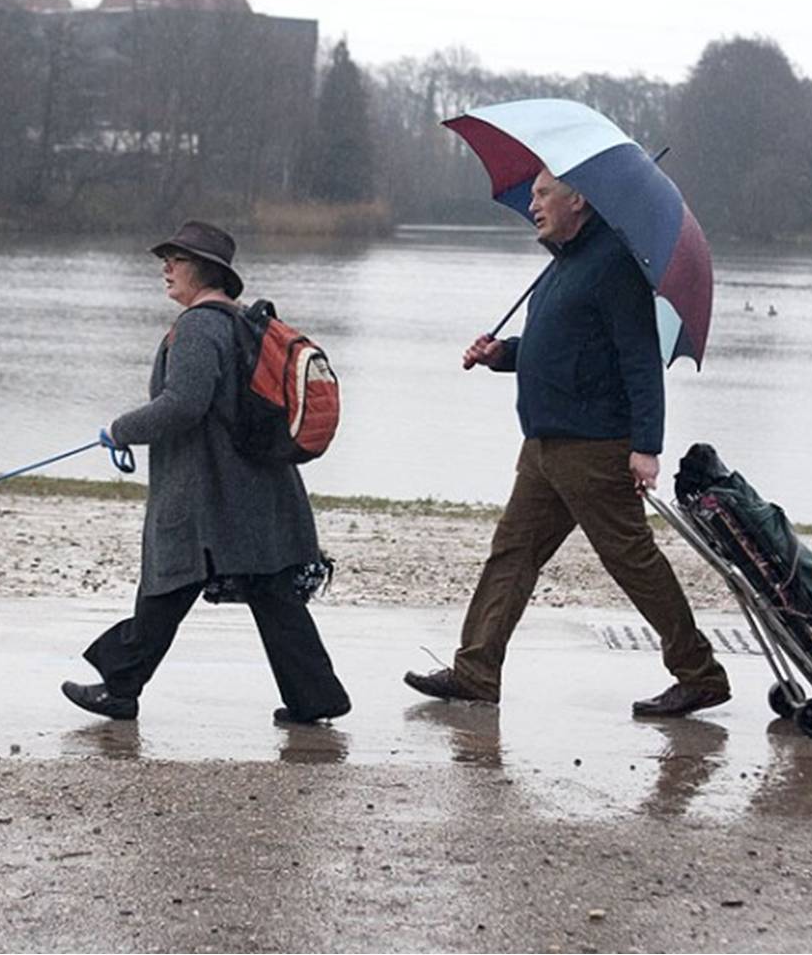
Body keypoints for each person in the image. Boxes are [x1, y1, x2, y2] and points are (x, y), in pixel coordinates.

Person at [404, 169, 730, 717]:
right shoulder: (561, 265)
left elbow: (640, 360)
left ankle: (700, 674)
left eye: (543, 194)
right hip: (543, 447)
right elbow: (554, 346)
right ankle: (475, 672)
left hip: (595, 448)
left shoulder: (615, 266)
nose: (533, 205)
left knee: (632, 561)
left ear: (578, 199)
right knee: (512, 554)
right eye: (532, 195)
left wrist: (646, 446)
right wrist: (502, 354)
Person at [61, 220, 351, 725]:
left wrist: (120, 429)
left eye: (176, 260)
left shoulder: (199, 326)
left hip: (210, 493)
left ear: (206, 270)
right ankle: (316, 699)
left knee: (169, 583)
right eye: (166, 259)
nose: (166, 268)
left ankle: (121, 688)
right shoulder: (238, 323)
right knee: (271, 593)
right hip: (256, 489)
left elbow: (182, 405)